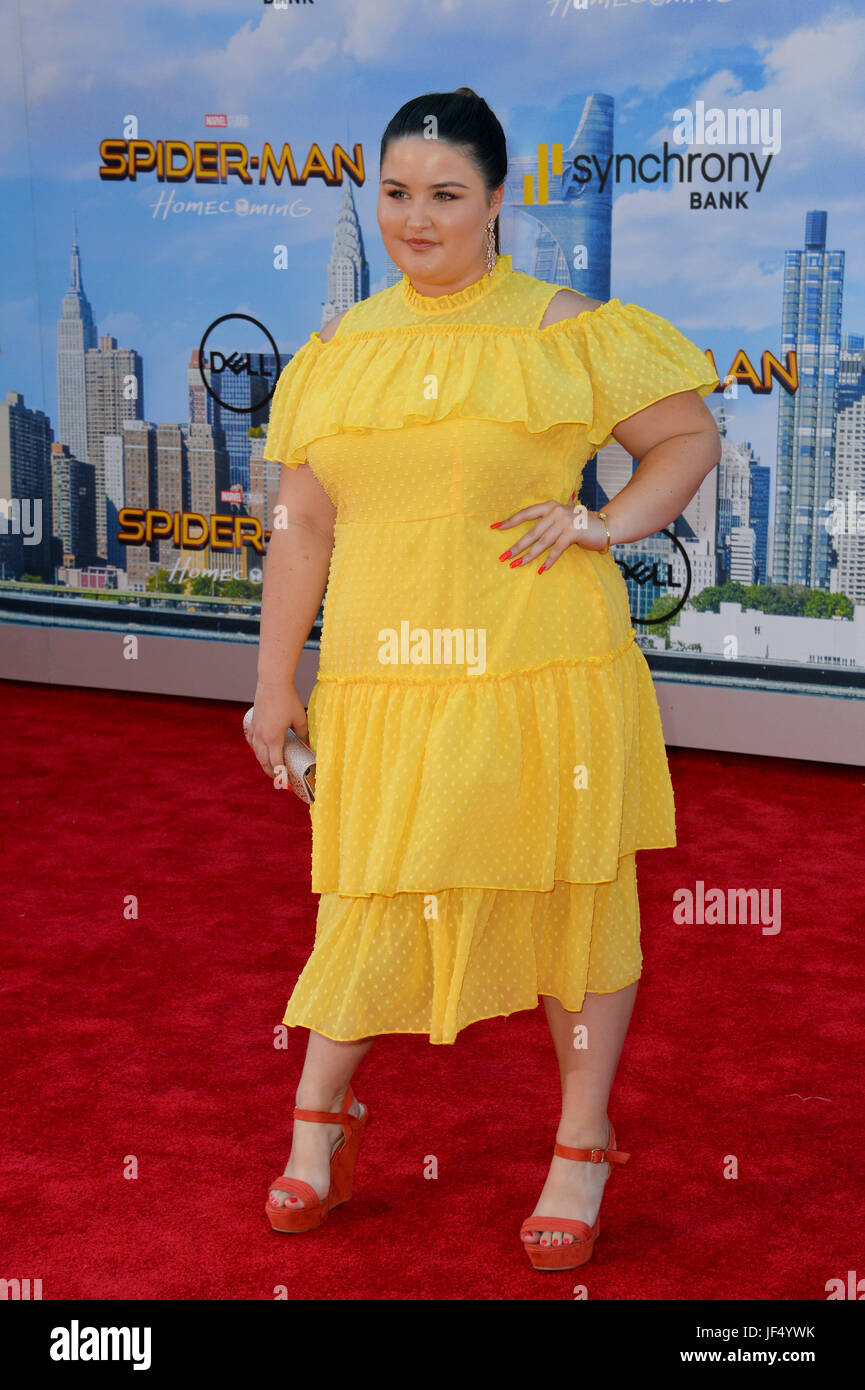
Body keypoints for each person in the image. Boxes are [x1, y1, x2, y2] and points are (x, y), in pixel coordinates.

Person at [250, 88, 720, 1270]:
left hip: (541, 669)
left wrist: (605, 524)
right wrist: (273, 685)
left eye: (446, 195)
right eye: (397, 193)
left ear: (499, 201)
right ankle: (322, 1127)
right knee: (369, 889)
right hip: (384, 678)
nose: (418, 219)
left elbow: (686, 437)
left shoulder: (561, 325)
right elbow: (302, 525)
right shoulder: (338, 350)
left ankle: (580, 1141)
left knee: (572, 900)